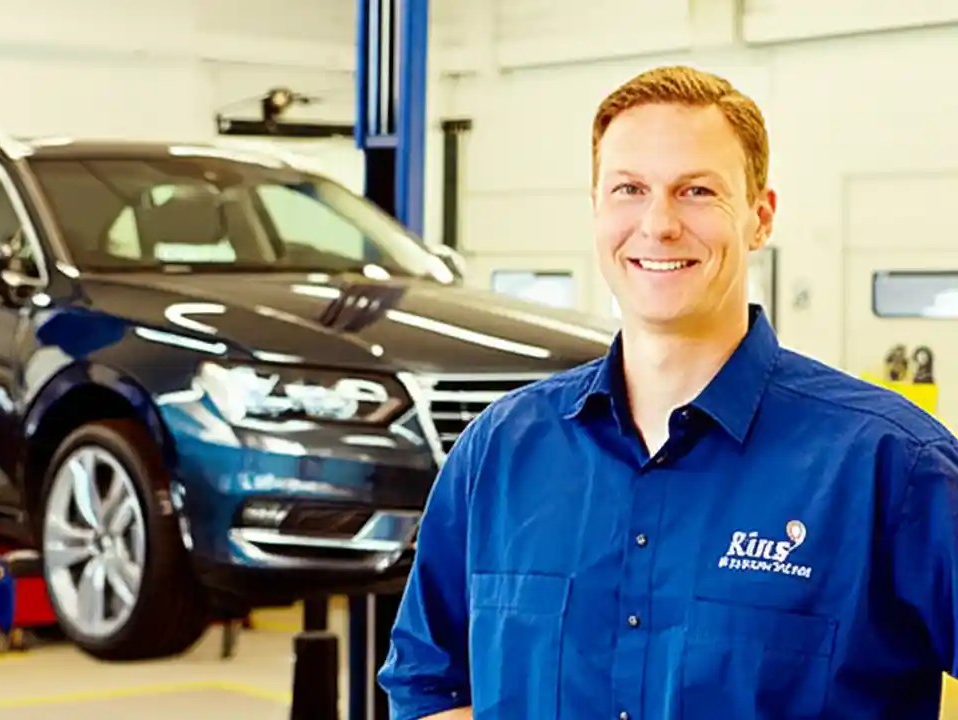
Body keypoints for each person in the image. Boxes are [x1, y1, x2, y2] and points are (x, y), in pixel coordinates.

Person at [376, 64, 958, 719]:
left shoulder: (891, 467)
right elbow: (430, 685)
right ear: (596, 209)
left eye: (696, 191)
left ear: (759, 217)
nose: (658, 224)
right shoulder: (498, 455)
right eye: (628, 189)